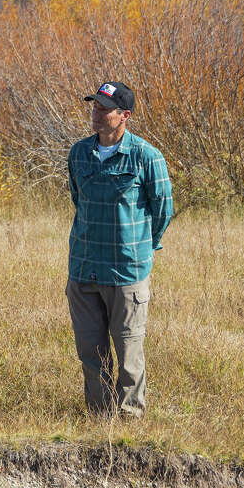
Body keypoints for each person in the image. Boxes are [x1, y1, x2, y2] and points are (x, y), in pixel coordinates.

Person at [66, 81, 173, 418]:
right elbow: (78, 200)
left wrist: (139, 247)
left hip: (126, 273)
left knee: (129, 354)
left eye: (105, 109)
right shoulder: (79, 153)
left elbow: (163, 210)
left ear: (125, 115)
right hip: (84, 270)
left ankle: (129, 422)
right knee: (91, 354)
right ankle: (99, 419)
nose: (96, 113)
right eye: (94, 106)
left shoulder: (146, 156)